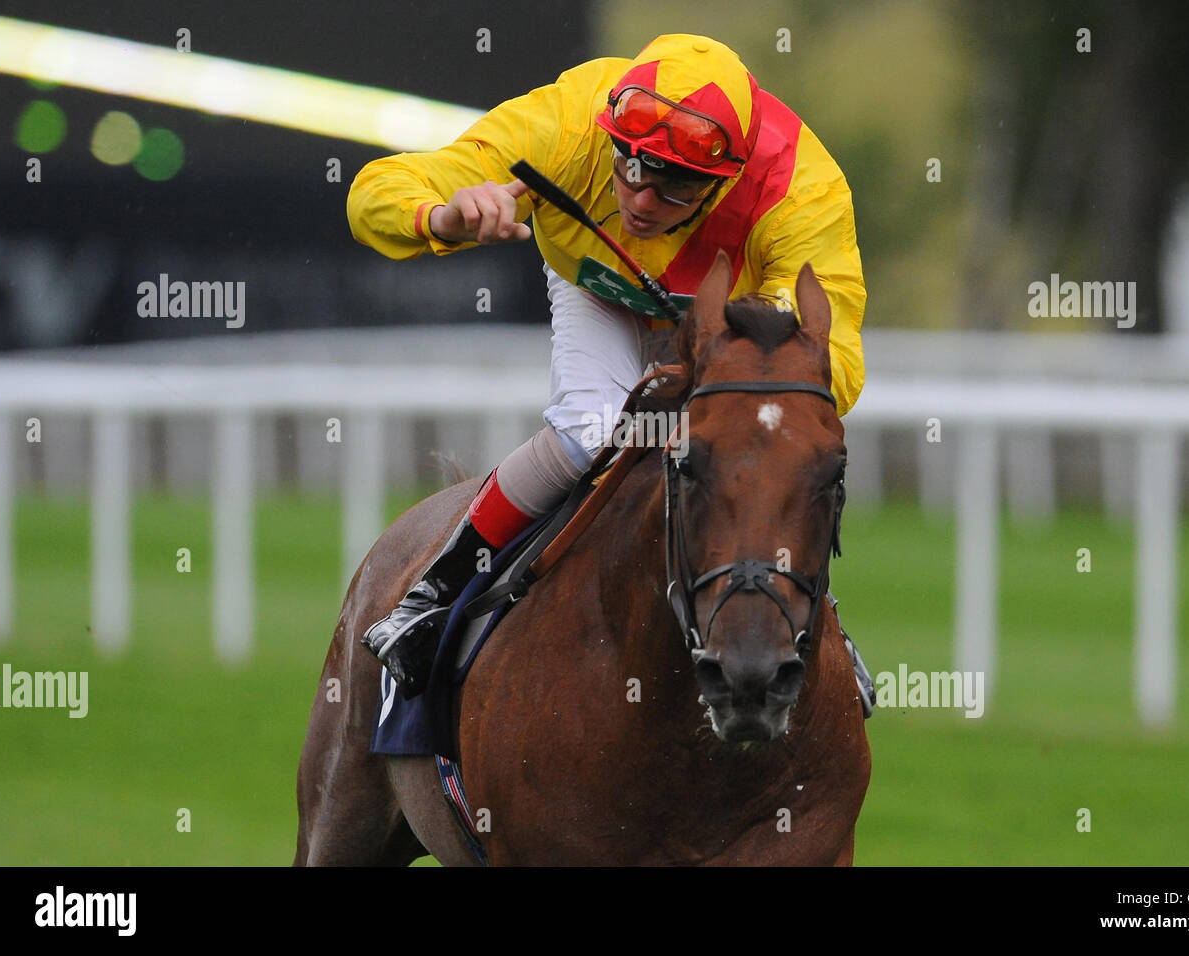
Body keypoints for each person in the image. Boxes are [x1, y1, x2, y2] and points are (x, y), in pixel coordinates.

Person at [347, 33, 873, 710]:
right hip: (597, 287)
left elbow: (838, 363)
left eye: (675, 182)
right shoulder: (565, 120)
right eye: (631, 164)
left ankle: (822, 631)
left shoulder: (801, 185)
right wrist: (441, 218)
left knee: (758, 450)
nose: (642, 199)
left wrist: (744, 365)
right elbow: (373, 193)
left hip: (727, 320)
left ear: (729, 174)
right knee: (591, 433)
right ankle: (435, 591)